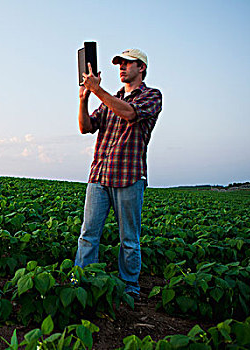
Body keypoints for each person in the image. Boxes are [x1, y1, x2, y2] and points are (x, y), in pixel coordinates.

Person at [74, 48, 162, 301]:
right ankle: (83, 281)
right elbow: (85, 127)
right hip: (99, 176)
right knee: (88, 235)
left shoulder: (152, 96)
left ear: (141, 68)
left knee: (129, 240)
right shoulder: (110, 99)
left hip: (129, 178)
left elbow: (130, 113)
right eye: (119, 64)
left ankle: (130, 288)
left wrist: (97, 91)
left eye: (127, 64)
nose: (122, 68)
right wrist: (84, 98)